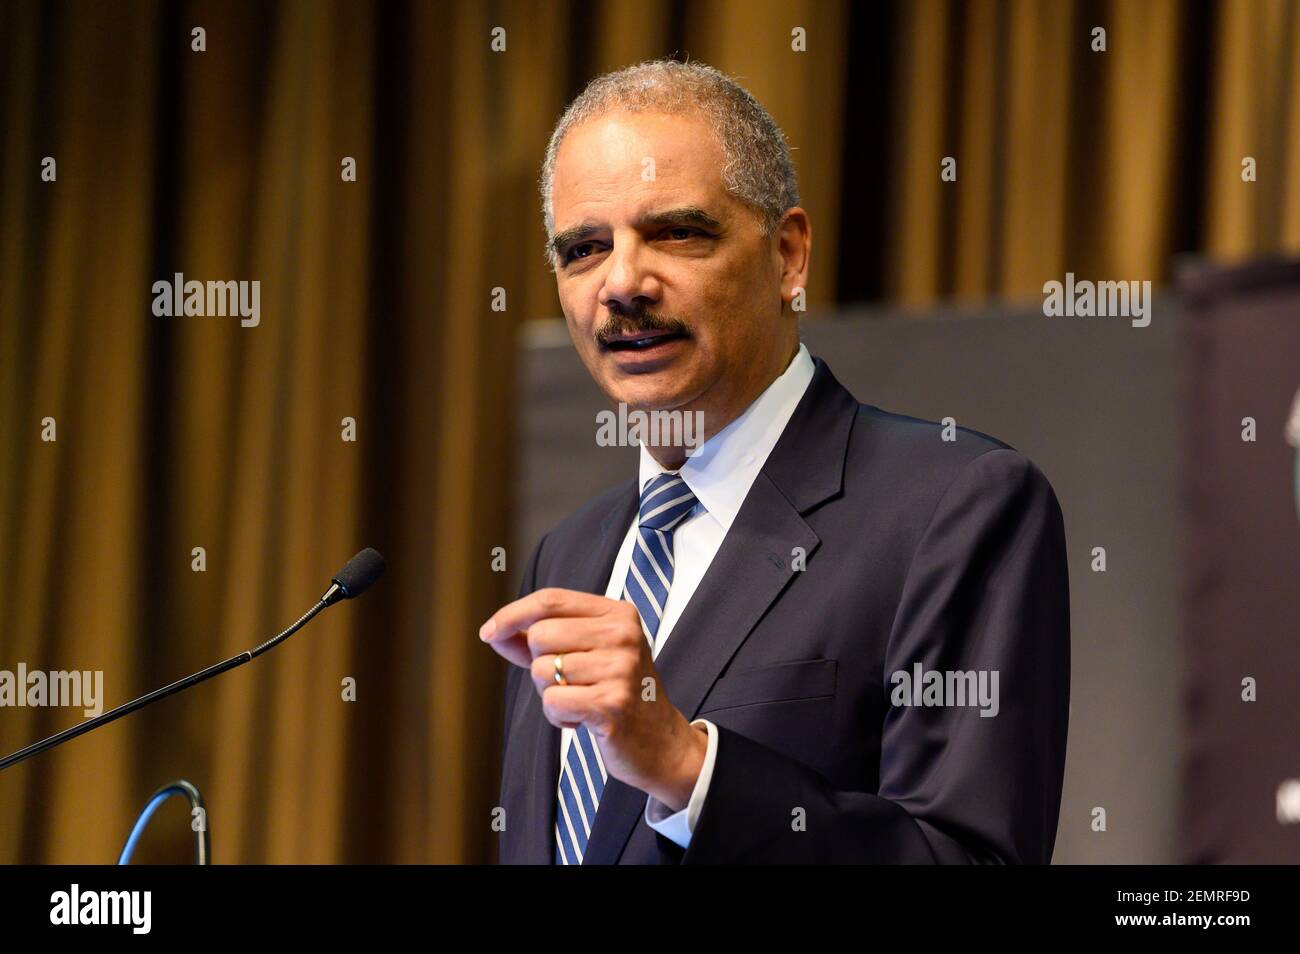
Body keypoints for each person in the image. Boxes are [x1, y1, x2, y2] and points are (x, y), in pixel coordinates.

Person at [484, 60, 1070, 864]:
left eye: (675, 232)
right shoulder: (570, 554)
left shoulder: (956, 508)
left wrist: (693, 772)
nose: (621, 283)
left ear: (788, 256)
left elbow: (970, 857)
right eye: (584, 248)